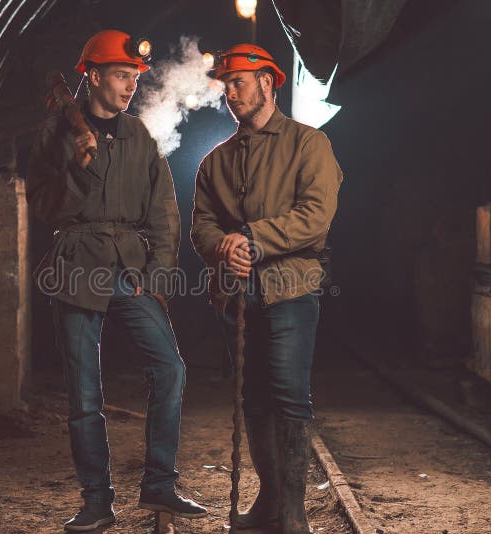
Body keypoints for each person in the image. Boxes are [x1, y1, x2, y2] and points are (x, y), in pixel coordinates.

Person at [26, 29, 207, 531]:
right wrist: (78, 171)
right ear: (93, 75)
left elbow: (164, 212)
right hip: (76, 264)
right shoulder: (55, 134)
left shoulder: (138, 136)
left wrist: (158, 275)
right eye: (122, 75)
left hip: (130, 269)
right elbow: (43, 207)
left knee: (170, 369)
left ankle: (159, 486)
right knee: (84, 393)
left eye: (134, 77)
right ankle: (96, 502)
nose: (131, 86)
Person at [190, 43, 343, 533]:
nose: (229, 92)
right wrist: (223, 248)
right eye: (225, 84)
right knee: (252, 397)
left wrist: (252, 239)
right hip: (236, 295)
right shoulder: (215, 161)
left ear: (267, 83)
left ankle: (294, 513)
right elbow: (202, 226)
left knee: (289, 394)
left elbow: (315, 218)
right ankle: (272, 500)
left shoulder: (308, 145)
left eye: (238, 81)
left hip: (291, 291)